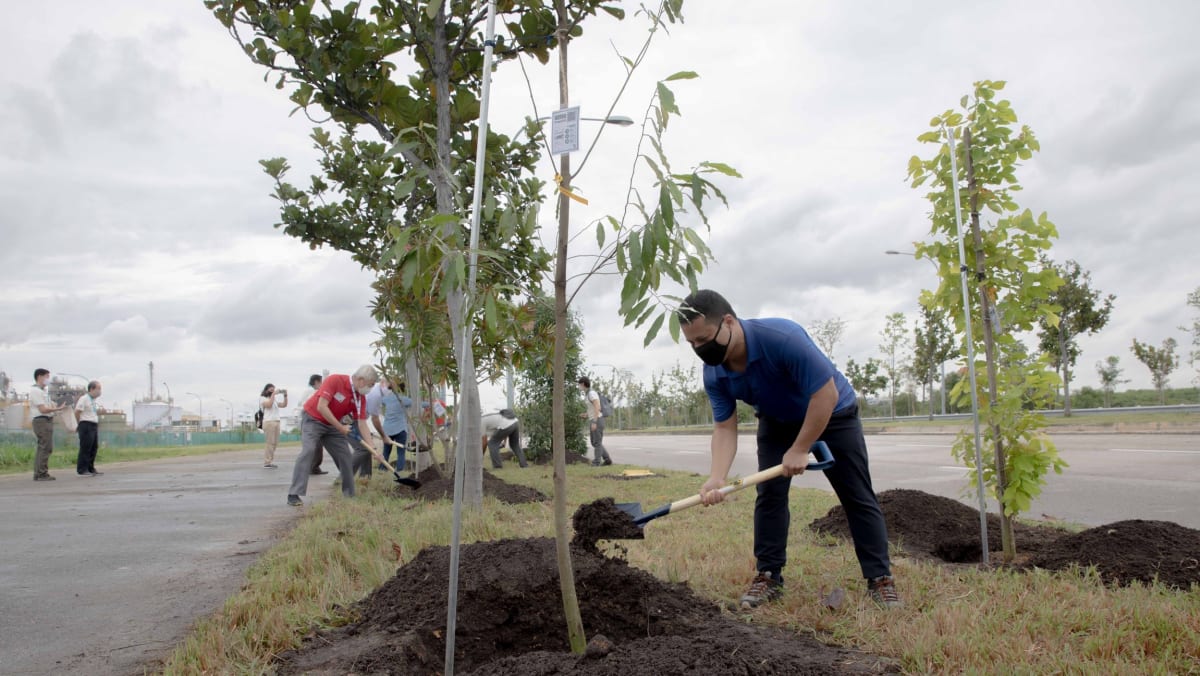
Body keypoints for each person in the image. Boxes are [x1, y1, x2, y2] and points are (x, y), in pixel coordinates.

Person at [678, 290, 901, 610]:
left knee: (856, 495)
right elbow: (725, 426)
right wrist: (716, 477)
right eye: (692, 344)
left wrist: (801, 448)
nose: (700, 349)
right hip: (777, 420)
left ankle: (880, 579)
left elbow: (824, 395)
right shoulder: (714, 372)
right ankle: (769, 575)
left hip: (834, 413)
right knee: (769, 495)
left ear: (728, 322)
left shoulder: (782, 338)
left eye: (703, 339)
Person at [287, 365, 382, 506]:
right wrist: (340, 427)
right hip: (313, 419)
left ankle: (349, 495)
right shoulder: (335, 380)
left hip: (333, 425)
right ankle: (294, 494)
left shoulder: (360, 398)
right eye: (371, 385)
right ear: (361, 380)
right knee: (309, 450)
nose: (370, 389)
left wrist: (373, 448)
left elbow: (362, 424)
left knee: (345, 457)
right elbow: (321, 406)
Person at [29, 368, 66, 481]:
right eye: (47, 377)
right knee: (45, 447)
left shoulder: (43, 391)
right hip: (42, 420)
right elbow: (43, 409)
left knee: (44, 447)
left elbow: (48, 406)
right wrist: (57, 409)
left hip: (46, 420)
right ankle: (41, 473)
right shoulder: (35, 391)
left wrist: (57, 406)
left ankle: (39, 473)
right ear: (39, 377)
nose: (48, 380)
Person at [297, 374, 330, 475]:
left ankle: (314, 467)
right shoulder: (311, 391)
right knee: (314, 447)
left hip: (313, 420)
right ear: (316, 382)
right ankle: (311, 468)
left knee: (317, 447)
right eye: (321, 382)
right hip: (310, 420)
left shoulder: (309, 391)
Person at [577, 376, 612, 466]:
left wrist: (594, 422)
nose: (579, 387)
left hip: (597, 420)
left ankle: (596, 462)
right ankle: (607, 460)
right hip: (594, 418)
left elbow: (598, 407)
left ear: (583, 384)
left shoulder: (591, 393)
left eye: (579, 385)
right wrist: (586, 414)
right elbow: (593, 408)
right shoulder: (588, 394)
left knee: (597, 442)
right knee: (595, 442)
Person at [379, 380, 413, 470]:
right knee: (401, 453)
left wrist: (382, 386)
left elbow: (379, 399)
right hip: (400, 429)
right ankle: (399, 471)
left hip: (387, 430)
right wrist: (431, 403)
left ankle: (382, 469)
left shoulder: (386, 398)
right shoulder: (404, 399)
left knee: (386, 452)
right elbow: (418, 404)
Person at [74, 380, 104, 476]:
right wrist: (79, 423)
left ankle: (90, 467)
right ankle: (82, 469)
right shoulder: (84, 399)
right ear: (91, 389)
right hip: (86, 424)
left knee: (93, 447)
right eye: (98, 388)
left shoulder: (93, 401)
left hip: (93, 425)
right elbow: (77, 411)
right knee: (86, 447)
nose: (100, 391)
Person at [259, 383, 288, 468]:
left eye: (274, 389)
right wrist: (274, 394)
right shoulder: (262, 398)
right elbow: (268, 405)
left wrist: (285, 396)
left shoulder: (273, 400)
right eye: (271, 389)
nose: (272, 391)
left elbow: (284, 405)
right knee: (270, 443)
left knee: (275, 443)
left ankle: (270, 461)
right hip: (269, 422)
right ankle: (267, 462)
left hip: (276, 421)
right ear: (266, 390)